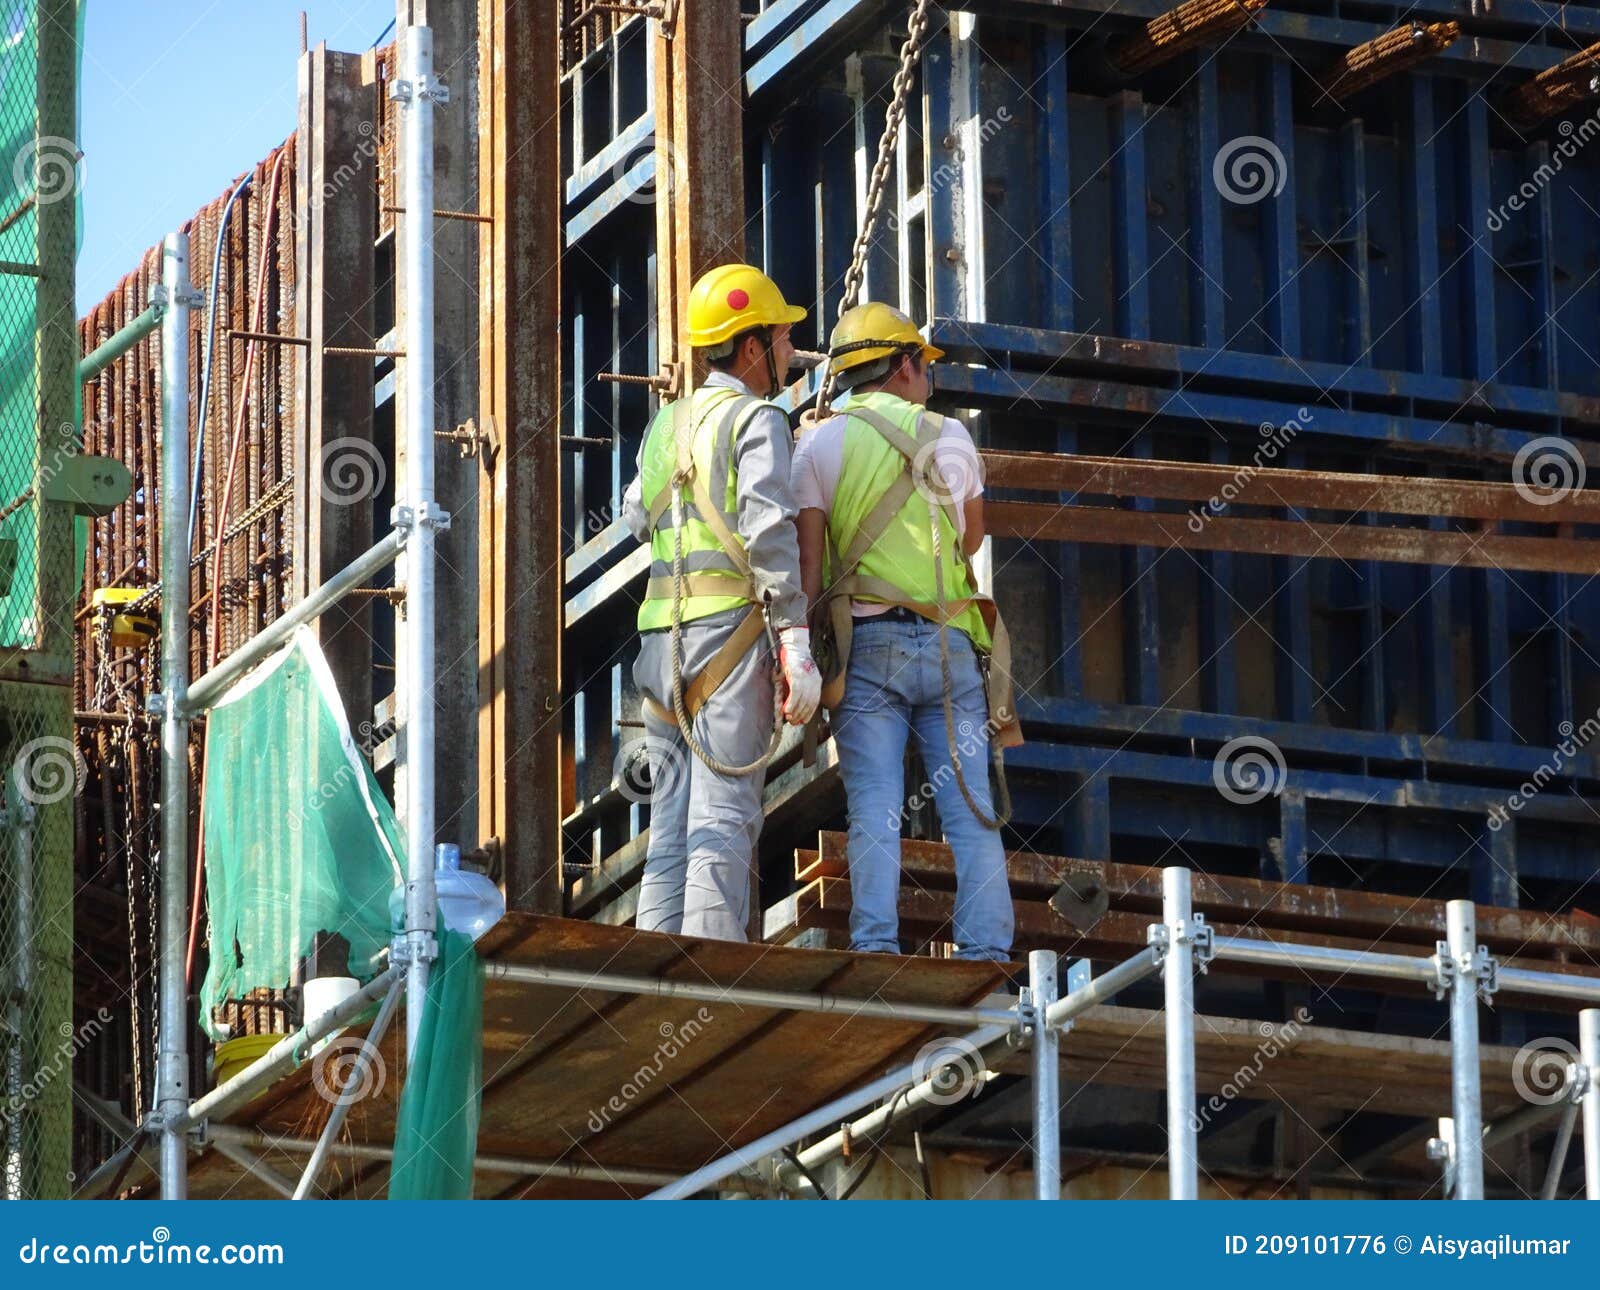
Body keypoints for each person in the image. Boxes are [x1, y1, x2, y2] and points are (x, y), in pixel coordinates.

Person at [791, 302, 1016, 960]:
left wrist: (801, 659)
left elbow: (809, 570)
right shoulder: (949, 436)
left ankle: (875, 948)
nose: (929, 380)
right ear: (905, 365)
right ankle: (986, 955)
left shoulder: (818, 445)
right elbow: (972, 537)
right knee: (972, 810)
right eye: (925, 367)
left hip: (868, 650)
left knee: (876, 810)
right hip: (949, 646)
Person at [621, 263, 821, 941]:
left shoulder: (664, 428)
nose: (792, 352)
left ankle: (655, 980)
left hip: (657, 652)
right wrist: (794, 641)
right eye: (783, 339)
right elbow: (769, 533)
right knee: (724, 817)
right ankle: (709, 982)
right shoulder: (756, 419)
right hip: (726, 646)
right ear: (750, 346)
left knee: (670, 828)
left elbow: (634, 518)